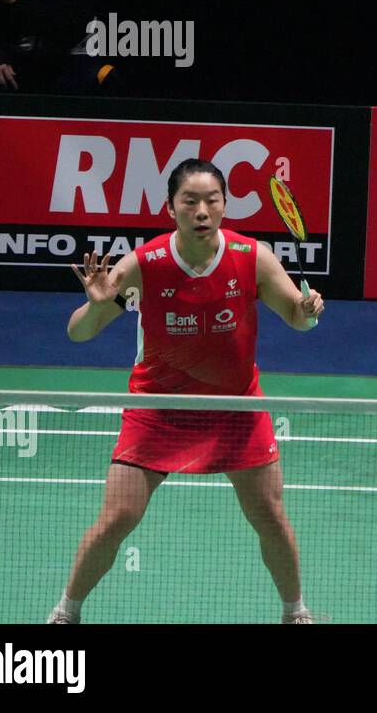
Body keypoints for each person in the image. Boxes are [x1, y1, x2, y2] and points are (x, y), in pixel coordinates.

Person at [49, 158, 325, 624]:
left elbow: (298, 321)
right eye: (190, 201)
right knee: (117, 517)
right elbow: (79, 333)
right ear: (170, 208)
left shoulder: (251, 256)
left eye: (211, 200)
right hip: (159, 408)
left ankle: (296, 612)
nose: (202, 210)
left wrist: (309, 309)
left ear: (224, 206)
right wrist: (97, 306)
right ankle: (65, 612)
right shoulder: (146, 262)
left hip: (233, 407)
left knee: (271, 517)